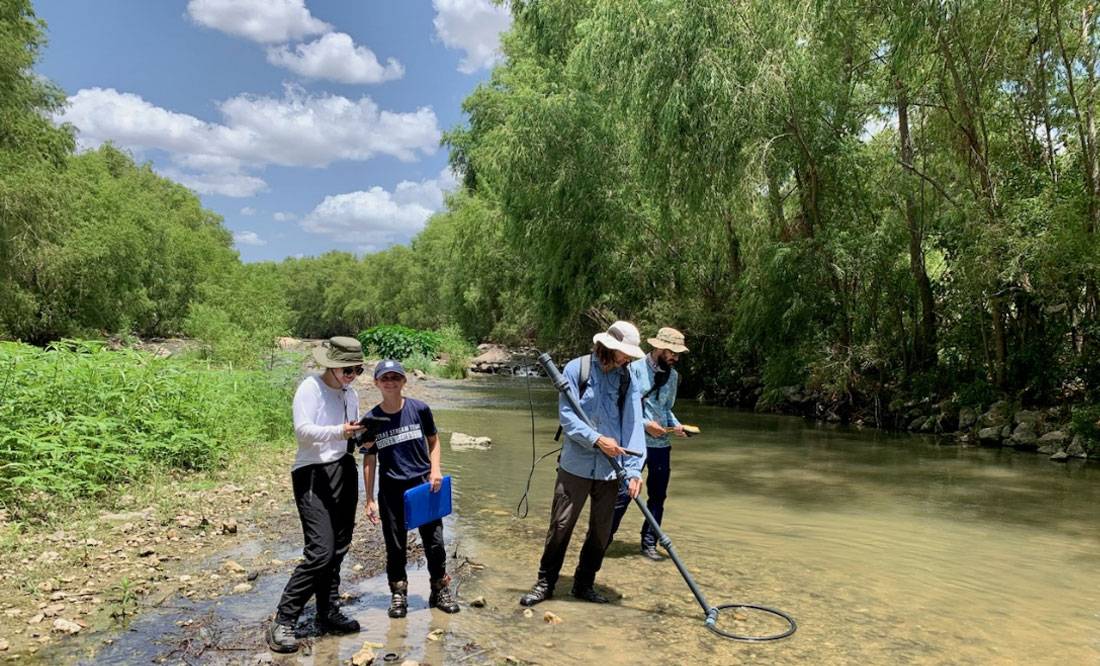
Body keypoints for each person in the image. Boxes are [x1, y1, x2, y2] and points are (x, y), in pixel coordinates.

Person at [519, 321, 647, 607]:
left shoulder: (628, 380)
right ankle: (545, 583)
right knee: (561, 525)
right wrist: (597, 439)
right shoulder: (577, 370)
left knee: (602, 531)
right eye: (624, 353)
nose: (628, 359)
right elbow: (568, 417)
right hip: (575, 465)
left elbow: (634, 425)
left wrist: (635, 469)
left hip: (611, 470)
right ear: (609, 347)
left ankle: (584, 583)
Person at [268, 337, 366, 654]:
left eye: (358, 370)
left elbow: (353, 435)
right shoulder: (310, 388)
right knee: (320, 551)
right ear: (332, 366)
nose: (352, 376)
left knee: (339, 547)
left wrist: (364, 438)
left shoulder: (351, 393)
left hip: (344, 469)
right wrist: (341, 431)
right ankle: (284, 621)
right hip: (312, 473)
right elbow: (303, 431)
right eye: (347, 370)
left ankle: (327, 612)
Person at [359, 359, 460, 618]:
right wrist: (369, 498)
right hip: (391, 490)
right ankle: (398, 593)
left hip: (423, 487)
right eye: (385, 378)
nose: (390, 382)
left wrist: (435, 470)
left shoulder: (420, 409)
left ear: (404, 381)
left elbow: (434, 442)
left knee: (435, 543)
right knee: (395, 547)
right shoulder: (371, 420)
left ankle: (439, 589)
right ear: (376, 383)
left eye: (396, 377)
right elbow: (369, 459)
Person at [608, 327, 689, 561]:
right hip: (634, 443)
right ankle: (604, 538)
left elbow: (665, 409)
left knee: (658, 496)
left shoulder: (673, 376)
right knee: (624, 493)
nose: (675, 357)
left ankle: (649, 542)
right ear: (658, 348)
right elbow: (621, 407)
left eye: (677, 353)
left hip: (662, 445)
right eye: (671, 352)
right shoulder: (631, 370)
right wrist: (645, 424)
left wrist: (678, 425)